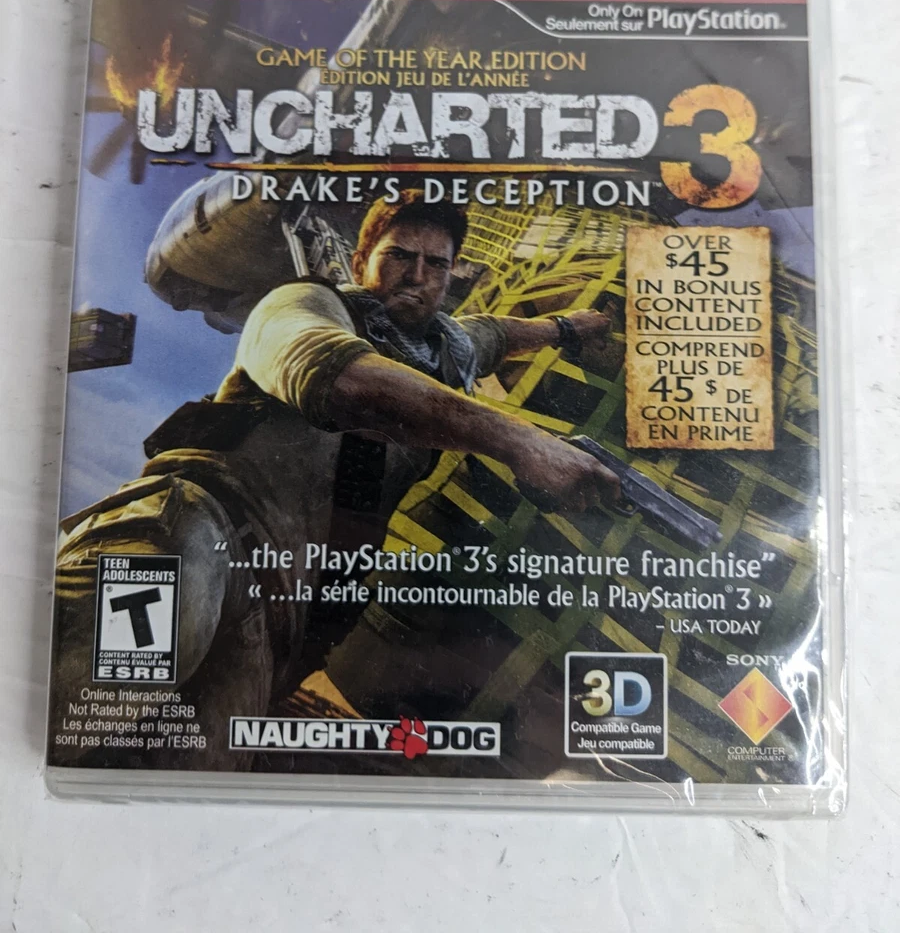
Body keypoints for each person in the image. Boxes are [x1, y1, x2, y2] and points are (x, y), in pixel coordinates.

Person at [51, 190, 616, 767]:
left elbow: (498, 333)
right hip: (197, 533)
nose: (417, 275)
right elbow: (333, 374)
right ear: (360, 262)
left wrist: (571, 328)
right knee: (69, 704)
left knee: (183, 777)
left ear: (450, 275)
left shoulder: (449, 350)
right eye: (399, 256)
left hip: (277, 621)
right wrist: (520, 442)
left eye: (436, 264)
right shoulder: (304, 304)